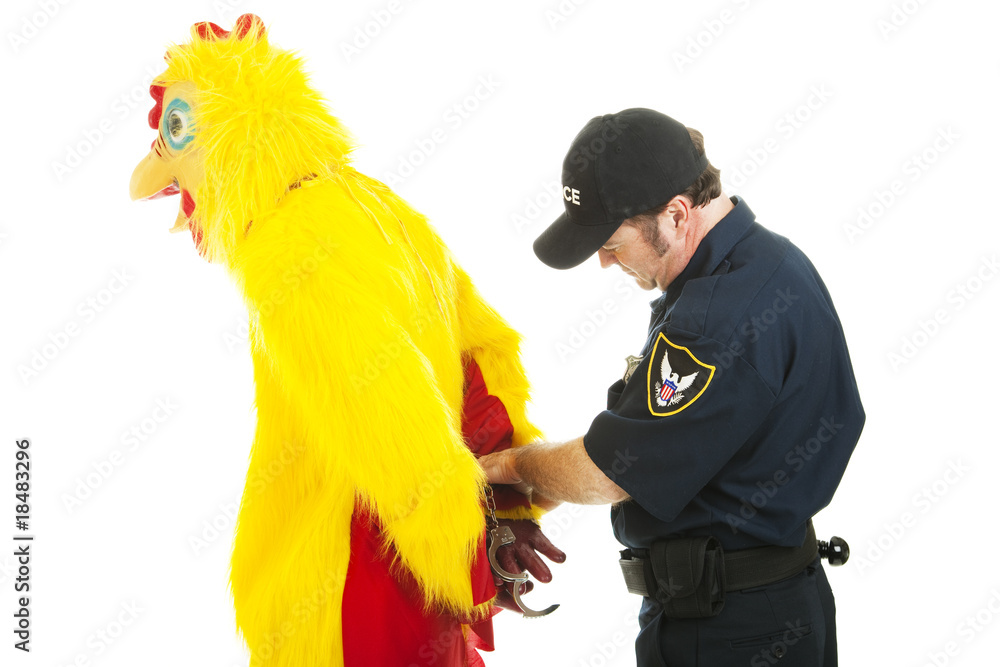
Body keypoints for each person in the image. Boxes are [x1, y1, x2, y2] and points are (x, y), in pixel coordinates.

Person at [480, 108, 864, 666]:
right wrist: (535, 493)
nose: (604, 262)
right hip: (767, 605)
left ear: (677, 214)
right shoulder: (768, 262)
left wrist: (512, 466)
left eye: (612, 242)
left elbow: (609, 473)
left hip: (728, 631)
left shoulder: (714, 321)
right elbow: (662, 442)